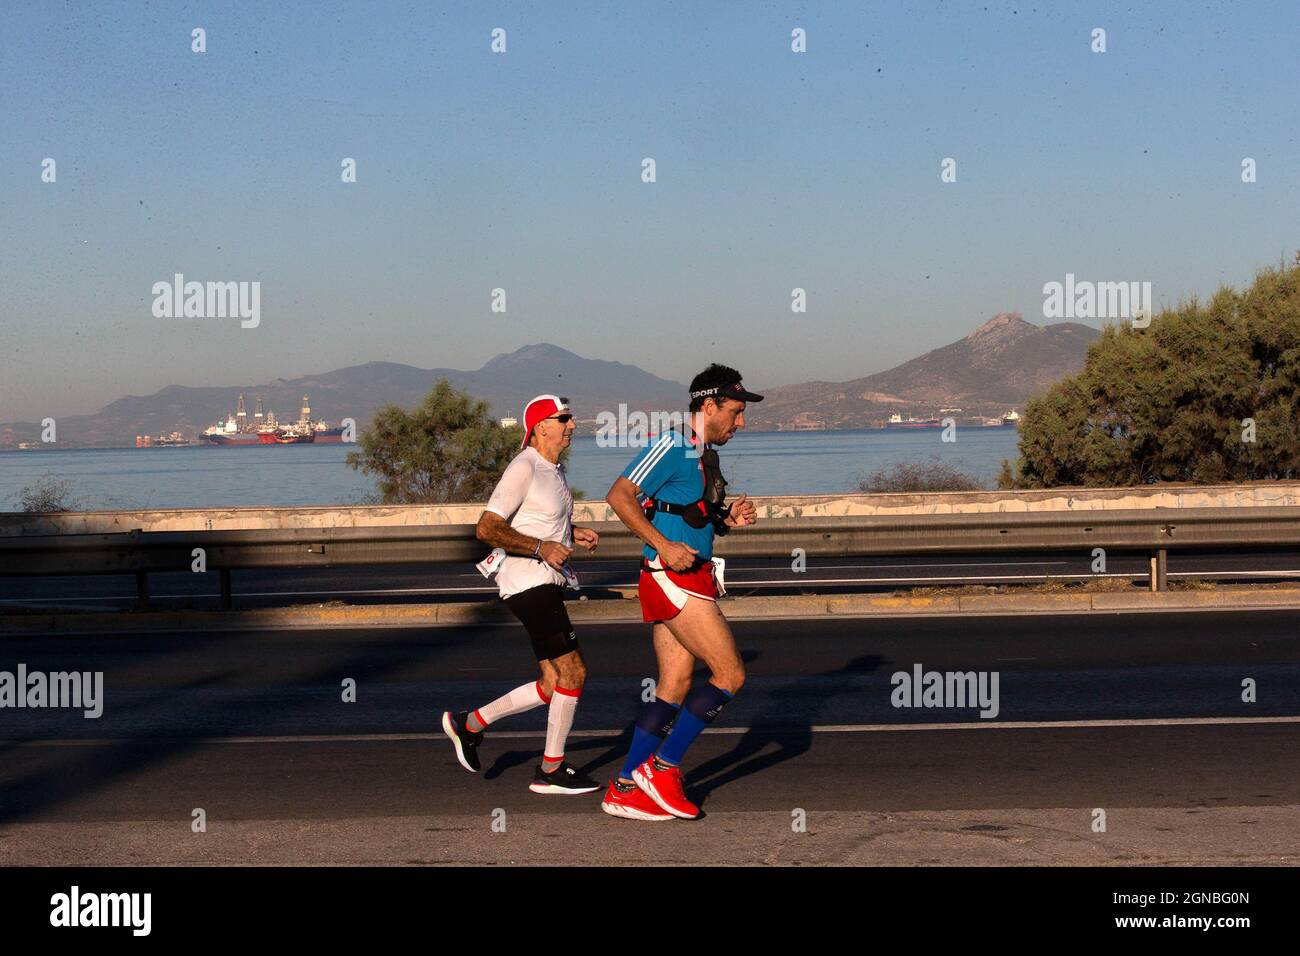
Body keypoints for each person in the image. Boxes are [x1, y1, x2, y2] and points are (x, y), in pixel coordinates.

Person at [599, 365, 761, 820]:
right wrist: (664, 546)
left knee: (673, 686)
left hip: (692, 574)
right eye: (735, 411)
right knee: (730, 674)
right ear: (708, 405)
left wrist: (727, 520)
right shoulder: (673, 443)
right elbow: (619, 496)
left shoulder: (705, 455)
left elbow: (690, 514)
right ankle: (662, 767)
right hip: (673, 577)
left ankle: (624, 788)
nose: (740, 422)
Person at [441, 394, 601, 794]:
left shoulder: (553, 469)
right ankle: (551, 770)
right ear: (541, 426)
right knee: (574, 673)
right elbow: (487, 528)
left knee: (551, 681)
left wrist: (571, 533)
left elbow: (537, 520)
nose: (572, 424)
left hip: (544, 581)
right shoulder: (524, 466)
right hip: (529, 582)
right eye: (564, 418)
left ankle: (469, 724)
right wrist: (541, 548)